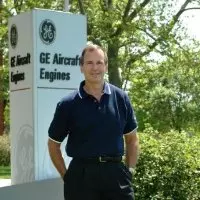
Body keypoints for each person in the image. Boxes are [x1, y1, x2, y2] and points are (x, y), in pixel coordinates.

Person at [48, 43, 139, 200]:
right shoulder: (67, 104)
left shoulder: (121, 98)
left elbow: (132, 139)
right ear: (81, 67)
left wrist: (129, 171)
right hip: (81, 177)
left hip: (116, 176)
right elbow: (53, 144)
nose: (95, 68)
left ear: (105, 66)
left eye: (99, 62)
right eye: (89, 63)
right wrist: (68, 177)